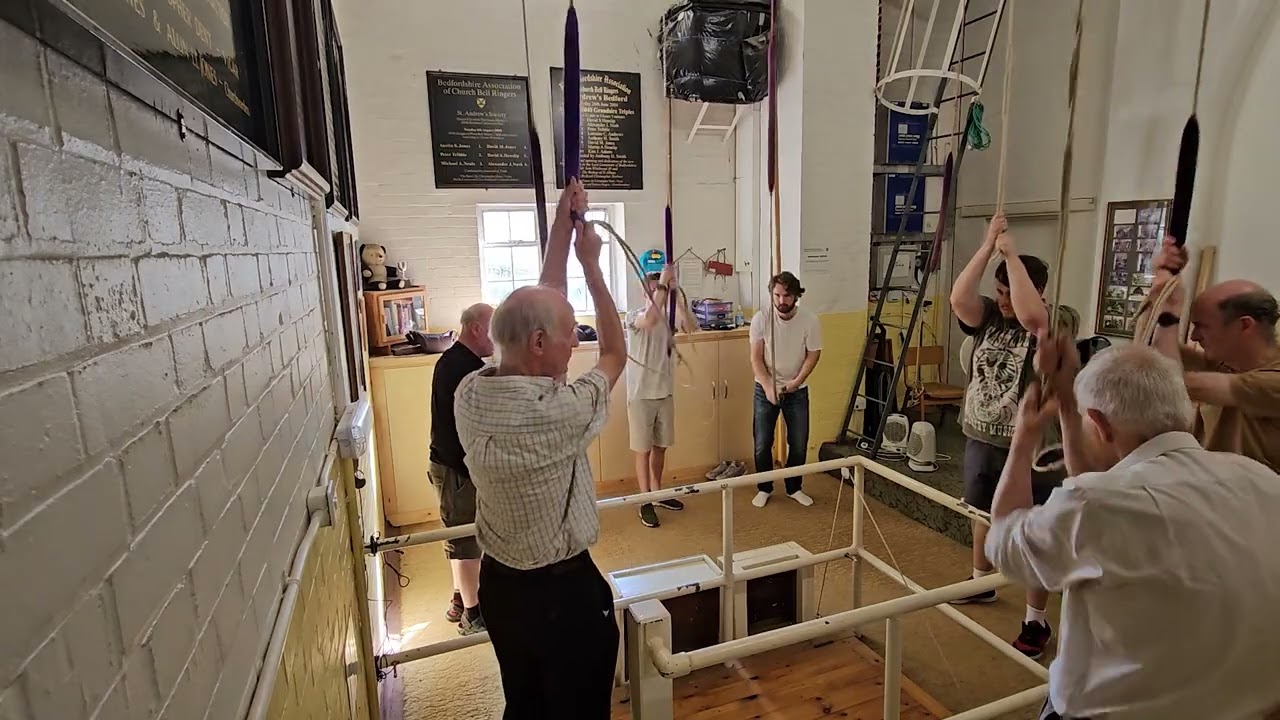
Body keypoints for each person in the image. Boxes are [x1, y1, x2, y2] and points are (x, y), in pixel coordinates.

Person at [986, 339, 1280, 720]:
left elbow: (1003, 540)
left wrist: (1024, 438)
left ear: (1101, 425)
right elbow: (1101, 483)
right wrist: (1067, 400)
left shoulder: (1096, 506)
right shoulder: (1261, 479)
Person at [454, 179, 624, 719]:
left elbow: (540, 300)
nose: (578, 341)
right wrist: (593, 267)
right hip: (564, 597)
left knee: (524, 705)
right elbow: (616, 354)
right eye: (572, 333)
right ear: (538, 344)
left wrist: (562, 221)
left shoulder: (473, 391)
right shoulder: (559, 413)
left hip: (502, 588)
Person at [948, 213, 1079, 660]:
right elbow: (958, 298)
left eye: (1008, 292)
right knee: (979, 511)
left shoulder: (1058, 316)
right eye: (999, 292)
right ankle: (982, 580)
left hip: (1032, 448)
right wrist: (987, 247)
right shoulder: (987, 316)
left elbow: (1031, 316)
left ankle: (1035, 620)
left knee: (1037, 529)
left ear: (1034, 288)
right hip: (981, 436)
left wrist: (1011, 255)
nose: (1001, 301)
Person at [1145, 238, 1280, 471]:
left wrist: (1170, 311)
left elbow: (1170, 385)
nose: (1195, 336)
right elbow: (1151, 346)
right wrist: (1161, 282)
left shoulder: (1272, 381)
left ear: (1244, 326)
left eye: (1202, 326)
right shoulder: (1228, 364)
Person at [427, 302, 494, 635]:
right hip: (457, 470)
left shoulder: (458, 361)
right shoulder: (463, 368)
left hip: (453, 467)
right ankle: (472, 615)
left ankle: (459, 596)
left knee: (461, 536)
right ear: (477, 329)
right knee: (465, 540)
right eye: (494, 328)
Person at [626, 264, 698, 528]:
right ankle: (644, 500)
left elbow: (692, 327)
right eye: (654, 291)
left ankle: (658, 493)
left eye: (661, 291)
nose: (659, 295)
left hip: (664, 392)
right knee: (642, 450)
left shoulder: (668, 317)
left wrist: (678, 301)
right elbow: (650, 320)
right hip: (641, 394)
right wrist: (664, 286)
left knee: (660, 446)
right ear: (645, 293)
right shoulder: (635, 317)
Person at [749, 271, 822, 508]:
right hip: (765, 387)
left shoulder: (810, 320)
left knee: (799, 443)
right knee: (762, 442)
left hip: (797, 389)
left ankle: (794, 487)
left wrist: (796, 382)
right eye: (777, 295)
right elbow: (756, 359)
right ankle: (764, 487)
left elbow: (813, 355)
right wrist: (769, 385)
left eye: (787, 296)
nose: (781, 301)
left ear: (796, 296)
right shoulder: (761, 319)